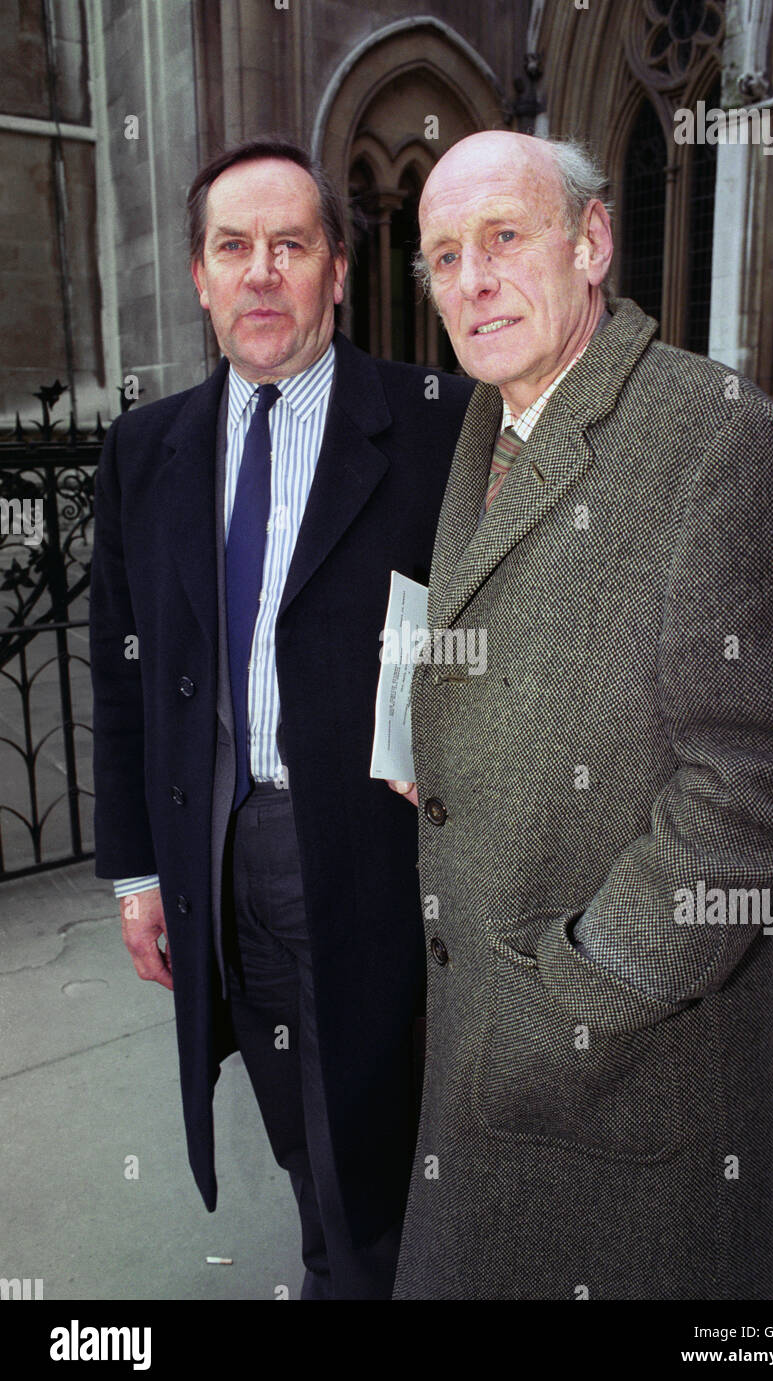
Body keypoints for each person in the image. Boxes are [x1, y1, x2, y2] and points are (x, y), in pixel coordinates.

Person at [388, 129, 773, 1300]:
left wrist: (584, 991)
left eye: (503, 237)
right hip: (478, 1044)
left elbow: (769, 788)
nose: (473, 280)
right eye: (443, 257)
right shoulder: (490, 419)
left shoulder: (718, 439)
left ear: (590, 241)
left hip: (618, 1071)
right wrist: (433, 738)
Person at [89, 136, 472, 1300]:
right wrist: (136, 875)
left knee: (382, 1121)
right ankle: (338, 1258)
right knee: (291, 1113)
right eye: (231, 248)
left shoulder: (440, 425)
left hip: (372, 850)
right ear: (199, 276)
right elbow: (119, 671)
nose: (260, 273)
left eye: (289, 246)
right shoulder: (144, 451)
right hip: (219, 849)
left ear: (338, 270)